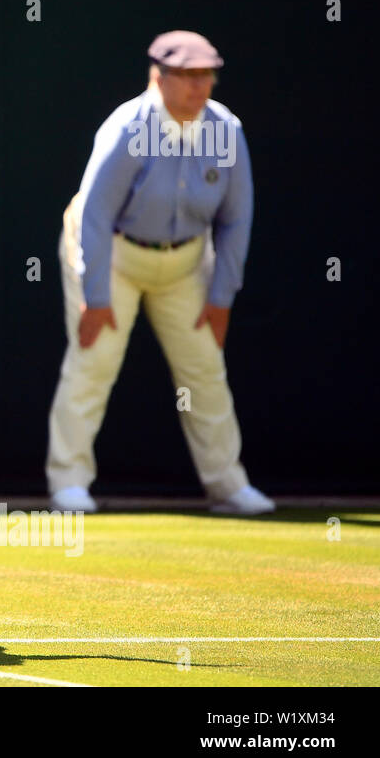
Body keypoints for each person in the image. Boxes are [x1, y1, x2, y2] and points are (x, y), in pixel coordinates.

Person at [44, 30, 274, 515]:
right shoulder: (127, 128)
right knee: (94, 361)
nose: (199, 86)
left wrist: (221, 298)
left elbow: (237, 219)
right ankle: (69, 484)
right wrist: (96, 295)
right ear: (159, 77)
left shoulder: (226, 130)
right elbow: (95, 216)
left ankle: (228, 486)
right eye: (187, 76)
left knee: (205, 371)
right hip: (110, 255)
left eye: (206, 74)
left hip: (188, 264)